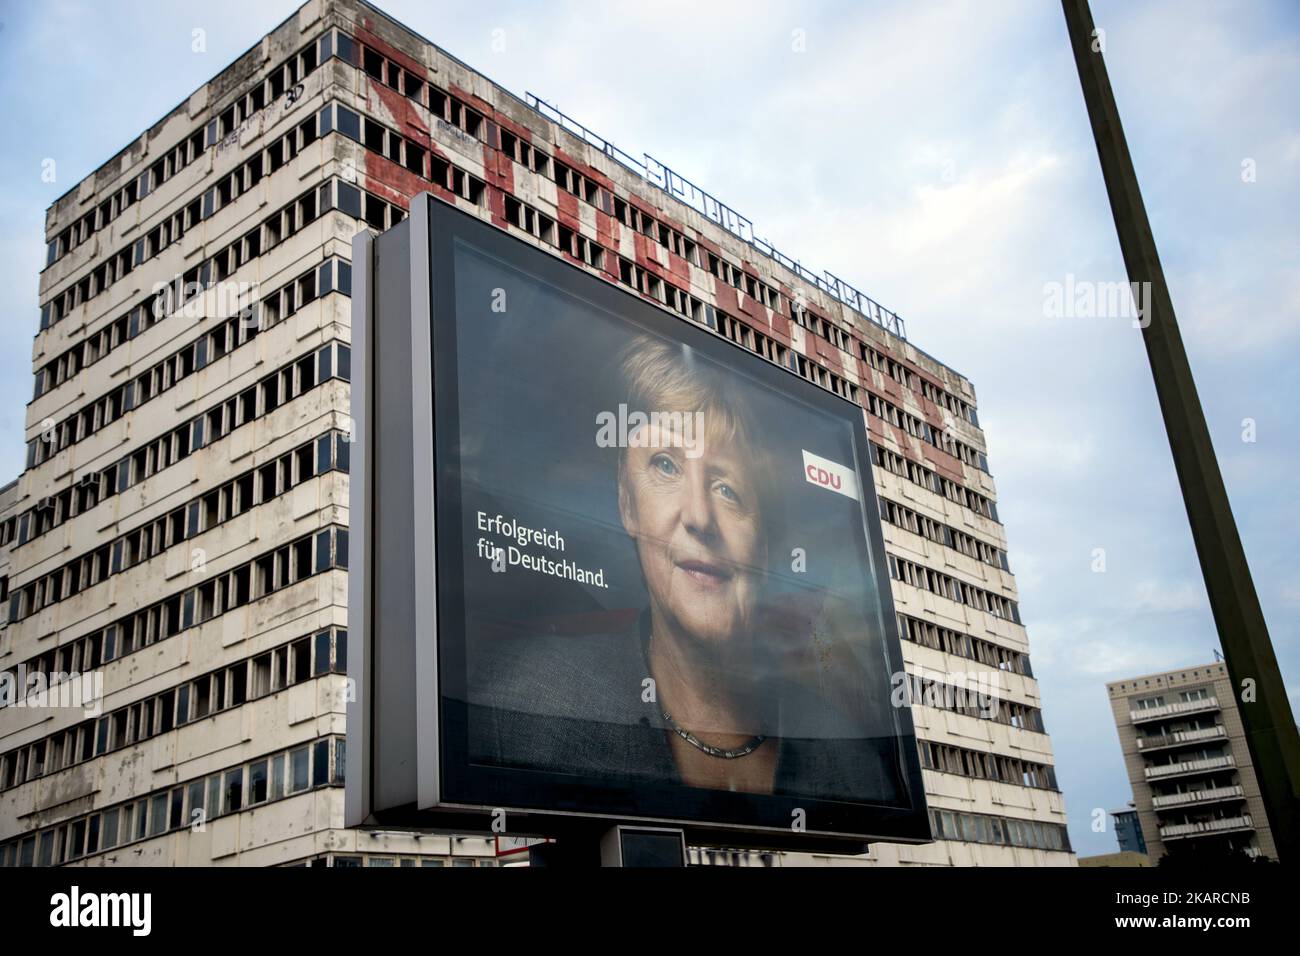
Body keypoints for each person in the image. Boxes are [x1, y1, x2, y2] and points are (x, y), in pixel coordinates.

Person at [467, 335, 900, 805]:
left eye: (728, 488)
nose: (699, 516)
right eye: (666, 465)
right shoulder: (528, 705)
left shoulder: (848, 761)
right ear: (627, 503)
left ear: (767, 539)